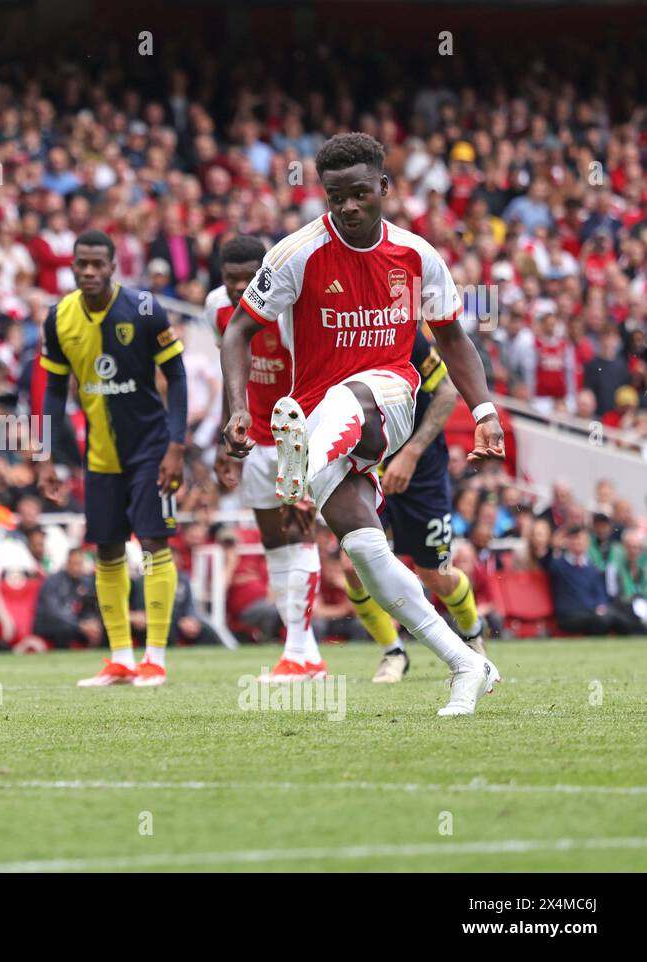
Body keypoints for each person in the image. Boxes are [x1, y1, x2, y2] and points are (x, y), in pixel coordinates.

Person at [221, 132, 502, 716]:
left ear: (384, 188)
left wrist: (484, 412)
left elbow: (451, 336)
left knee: (356, 395)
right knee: (369, 559)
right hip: (317, 413)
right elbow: (237, 330)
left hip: (389, 394)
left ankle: (299, 470)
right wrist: (239, 407)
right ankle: (466, 664)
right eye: (335, 196)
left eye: (359, 193)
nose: (347, 206)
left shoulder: (418, 256)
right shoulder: (295, 253)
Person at [37, 229, 188, 687]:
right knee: (106, 548)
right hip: (100, 455)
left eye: (96, 264)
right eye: (80, 264)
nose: (88, 272)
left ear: (111, 266)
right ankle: (121, 658)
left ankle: (155, 659)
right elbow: (51, 389)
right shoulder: (58, 317)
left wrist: (176, 447)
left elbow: (176, 377)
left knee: (154, 542)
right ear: (72, 266)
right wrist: (44, 455)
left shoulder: (144, 309)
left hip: (151, 450)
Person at [211, 235, 326, 680]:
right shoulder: (215, 308)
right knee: (275, 542)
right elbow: (230, 372)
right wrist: (228, 436)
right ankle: (303, 652)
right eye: (231, 279)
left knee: (302, 533)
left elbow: (310, 381)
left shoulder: (289, 311)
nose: (241, 287)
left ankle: (302, 649)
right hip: (254, 441)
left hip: (296, 436)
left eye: (249, 277)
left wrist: (302, 466)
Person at [348, 328, 490, 683]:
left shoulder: (404, 332)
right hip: (362, 463)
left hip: (420, 470)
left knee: (436, 577)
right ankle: (393, 653)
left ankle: (473, 636)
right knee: (352, 567)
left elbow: (445, 394)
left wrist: (410, 453)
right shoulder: (337, 330)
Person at [544, 526, 643, 635]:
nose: (579, 543)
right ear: (569, 542)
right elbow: (545, 562)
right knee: (603, 619)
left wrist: (601, 605)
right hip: (569, 614)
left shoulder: (591, 567)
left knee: (618, 617)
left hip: (591, 611)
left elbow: (600, 592)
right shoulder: (559, 565)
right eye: (576, 539)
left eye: (582, 540)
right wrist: (553, 548)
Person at [34, 547, 103, 649]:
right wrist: (80, 625)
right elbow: (54, 612)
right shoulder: (53, 581)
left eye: (79, 564)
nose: (76, 567)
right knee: (66, 629)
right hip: (48, 623)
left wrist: (91, 622)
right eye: (73, 563)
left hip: (74, 623)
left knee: (100, 628)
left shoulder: (85, 582)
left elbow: (89, 608)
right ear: (67, 563)